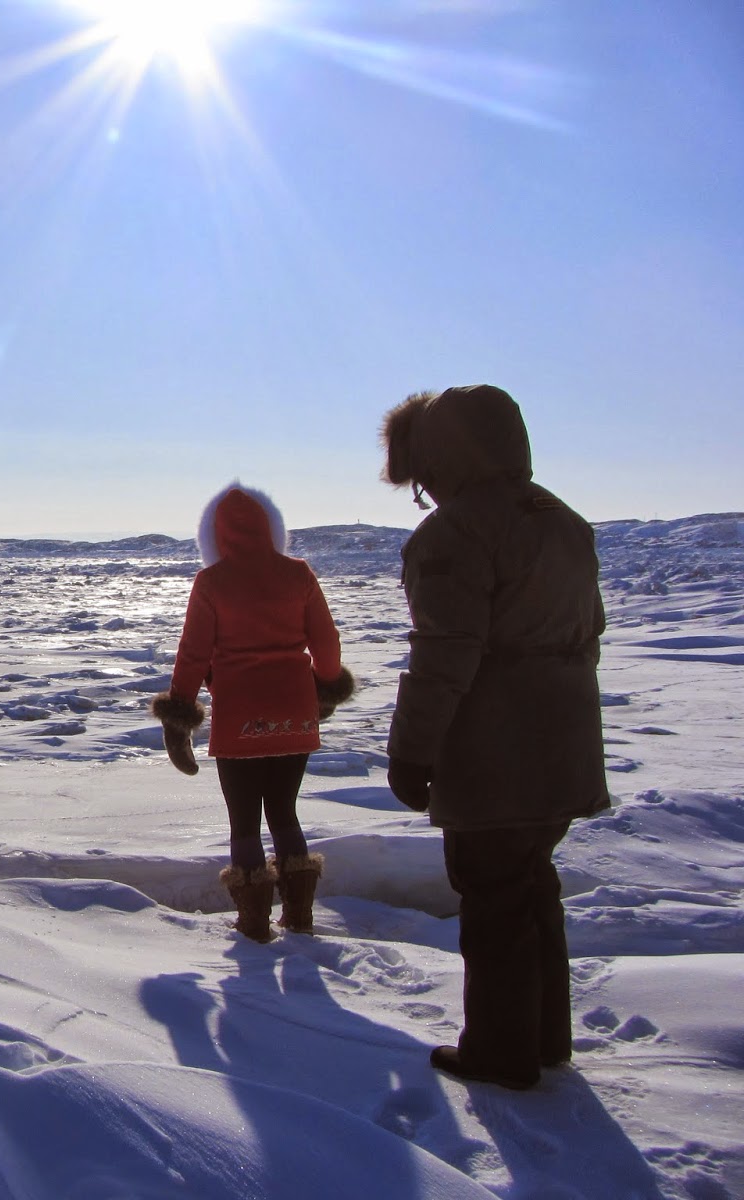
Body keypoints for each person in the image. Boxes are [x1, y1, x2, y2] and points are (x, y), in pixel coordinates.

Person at [380, 384, 610, 1091]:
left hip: (495, 754)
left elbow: (444, 655)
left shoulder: (454, 536)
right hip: (567, 744)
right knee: (530, 885)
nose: (424, 495)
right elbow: (587, 633)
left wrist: (411, 751)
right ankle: (543, 1039)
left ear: (439, 461)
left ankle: (501, 1053)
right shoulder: (565, 522)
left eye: (422, 480)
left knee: (492, 899)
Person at [152, 483, 355, 942]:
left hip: (239, 715)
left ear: (214, 537)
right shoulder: (298, 573)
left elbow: (192, 654)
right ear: (271, 529)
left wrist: (179, 714)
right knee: (284, 812)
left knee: (243, 821)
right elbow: (326, 642)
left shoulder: (212, 582)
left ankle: (253, 924)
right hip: (294, 712)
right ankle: (299, 917)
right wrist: (325, 688)